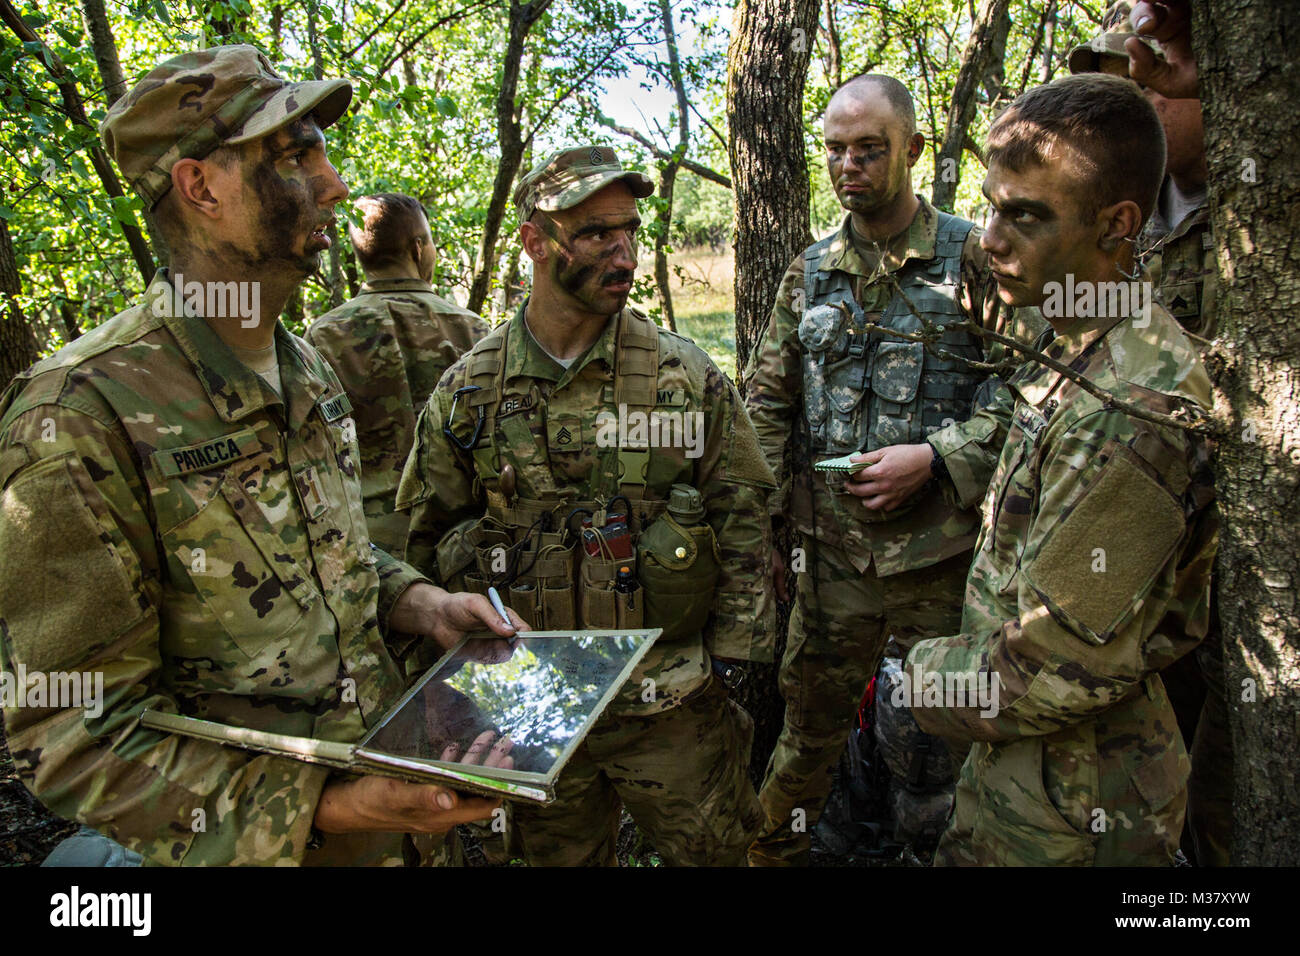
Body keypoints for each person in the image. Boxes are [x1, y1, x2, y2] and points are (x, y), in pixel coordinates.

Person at [0, 45, 521, 867]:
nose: (334, 183)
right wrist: (331, 808)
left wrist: (424, 604)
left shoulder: (303, 364)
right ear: (201, 188)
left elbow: (324, 552)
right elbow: (70, 729)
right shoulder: (81, 414)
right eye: (294, 156)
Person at [396, 145, 776, 866]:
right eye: (597, 233)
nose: (624, 253)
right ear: (536, 241)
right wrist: (441, 691)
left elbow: (744, 518)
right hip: (537, 708)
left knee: (718, 853)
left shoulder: (681, 377)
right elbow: (428, 540)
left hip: (670, 703)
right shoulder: (469, 391)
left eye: (629, 231)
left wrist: (735, 661)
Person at [905, 72, 1217, 866]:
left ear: (1117, 225)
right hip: (1029, 773)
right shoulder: (1075, 337)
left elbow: (1056, 666)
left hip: (1079, 805)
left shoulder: (1135, 407)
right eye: (990, 206)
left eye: (1026, 216)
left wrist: (915, 679)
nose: (988, 240)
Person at [741, 73, 1042, 866]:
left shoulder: (976, 259)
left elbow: (1029, 389)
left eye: (869, 149)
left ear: (911, 147)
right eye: (835, 150)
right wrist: (767, 531)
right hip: (830, 561)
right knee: (806, 737)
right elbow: (767, 404)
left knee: (947, 745)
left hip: (940, 565)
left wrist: (938, 458)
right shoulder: (808, 272)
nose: (849, 166)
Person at [305, 194, 489, 560]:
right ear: (418, 249)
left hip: (366, 547)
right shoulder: (471, 331)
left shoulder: (325, 336)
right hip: (455, 542)